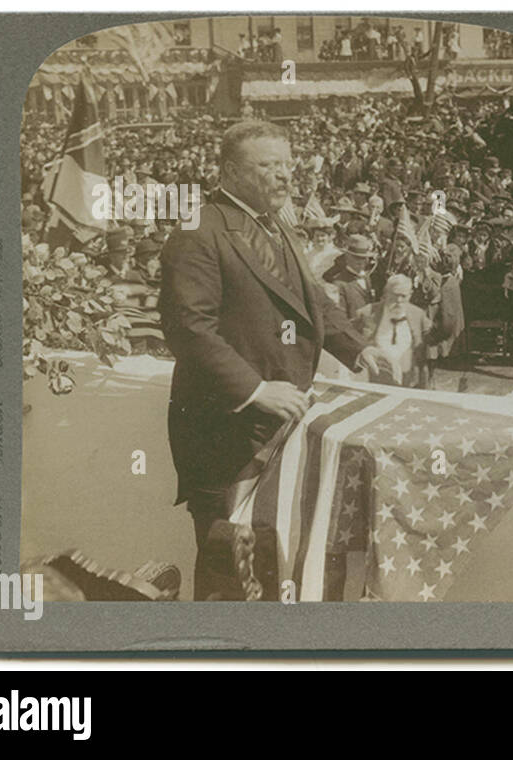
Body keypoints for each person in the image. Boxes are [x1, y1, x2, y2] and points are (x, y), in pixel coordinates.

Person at [158, 121, 380, 601]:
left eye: (287, 164)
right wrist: (255, 390)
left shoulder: (275, 223)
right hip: (226, 430)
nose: (285, 176)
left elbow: (311, 299)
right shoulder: (199, 230)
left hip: (282, 422)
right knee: (227, 569)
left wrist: (357, 346)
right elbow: (189, 328)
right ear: (232, 171)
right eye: (269, 166)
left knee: (267, 563)